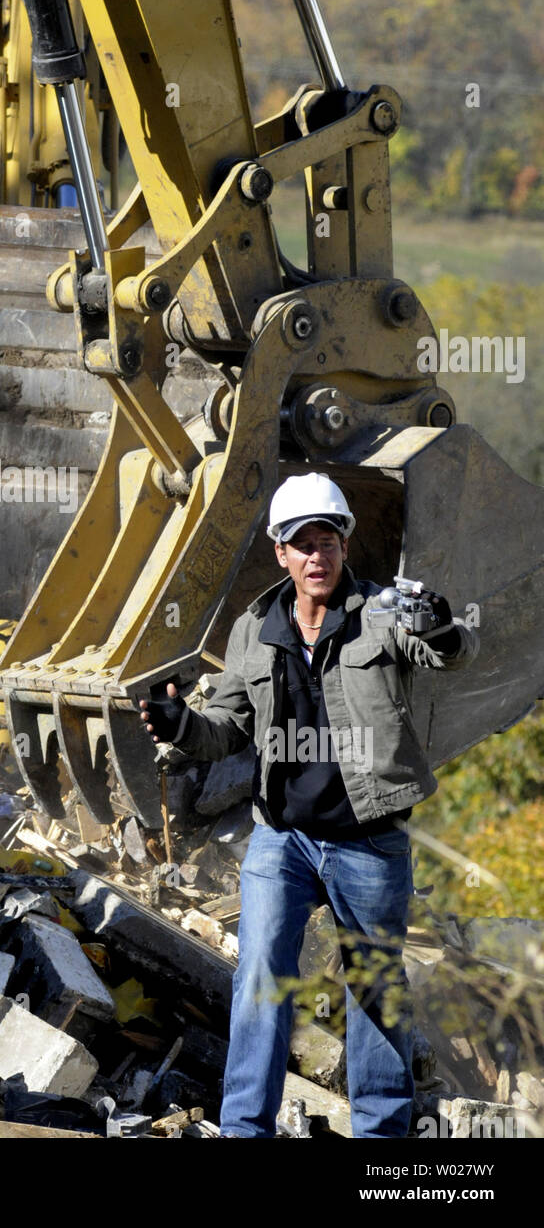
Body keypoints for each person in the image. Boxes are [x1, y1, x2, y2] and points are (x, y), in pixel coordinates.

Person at [139, 472, 479, 1138]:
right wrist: (181, 727)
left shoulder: (384, 611)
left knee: (375, 990)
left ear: (345, 545)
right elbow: (227, 729)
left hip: (370, 837)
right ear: (280, 552)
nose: (317, 556)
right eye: (303, 544)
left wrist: (440, 626)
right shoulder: (252, 629)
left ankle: (380, 1135)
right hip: (282, 839)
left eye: (328, 541)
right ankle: (245, 1129)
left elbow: (453, 653)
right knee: (262, 976)